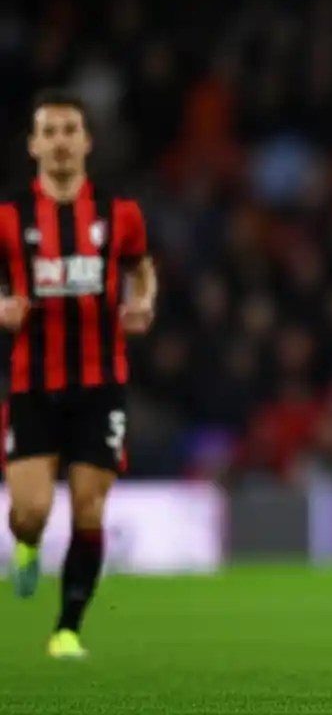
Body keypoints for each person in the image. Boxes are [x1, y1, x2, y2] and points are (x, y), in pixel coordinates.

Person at [0, 89, 157, 659]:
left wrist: (144, 302)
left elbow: (142, 268)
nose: (61, 141)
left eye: (71, 130)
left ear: (87, 141)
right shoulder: (9, 218)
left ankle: (66, 628)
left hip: (101, 383)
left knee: (89, 507)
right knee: (31, 510)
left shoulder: (120, 213)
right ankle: (26, 544)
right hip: (32, 386)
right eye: (50, 131)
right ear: (34, 144)